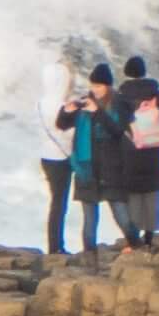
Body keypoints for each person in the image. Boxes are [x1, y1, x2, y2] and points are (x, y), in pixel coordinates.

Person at [57, 62, 134, 265]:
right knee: (89, 218)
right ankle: (90, 259)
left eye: (99, 86)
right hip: (87, 169)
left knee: (121, 213)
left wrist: (98, 113)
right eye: (93, 86)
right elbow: (61, 125)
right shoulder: (85, 104)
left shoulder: (118, 104)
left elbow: (117, 131)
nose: (95, 90)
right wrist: (66, 111)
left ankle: (137, 245)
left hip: (111, 169)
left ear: (108, 86)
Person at [108, 55, 159, 250]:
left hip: (129, 153)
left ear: (126, 73)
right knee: (152, 195)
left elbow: (114, 125)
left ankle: (133, 241)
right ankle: (149, 239)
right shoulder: (158, 96)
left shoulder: (120, 98)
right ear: (144, 72)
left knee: (133, 196)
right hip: (154, 152)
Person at [36, 59, 77, 256]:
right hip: (61, 158)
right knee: (59, 204)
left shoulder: (39, 103)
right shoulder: (63, 106)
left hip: (45, 156)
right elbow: (68, 133)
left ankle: (54, 244)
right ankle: (56, 246)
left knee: (55, 201)